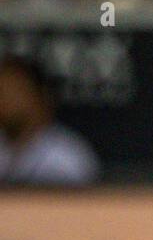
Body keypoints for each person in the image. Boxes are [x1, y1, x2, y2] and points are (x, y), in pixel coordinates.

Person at [0, 55, 100, 185]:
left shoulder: (66, 157)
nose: (5, 101)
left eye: (14, 92)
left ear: (39, 96)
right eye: (2, 93)